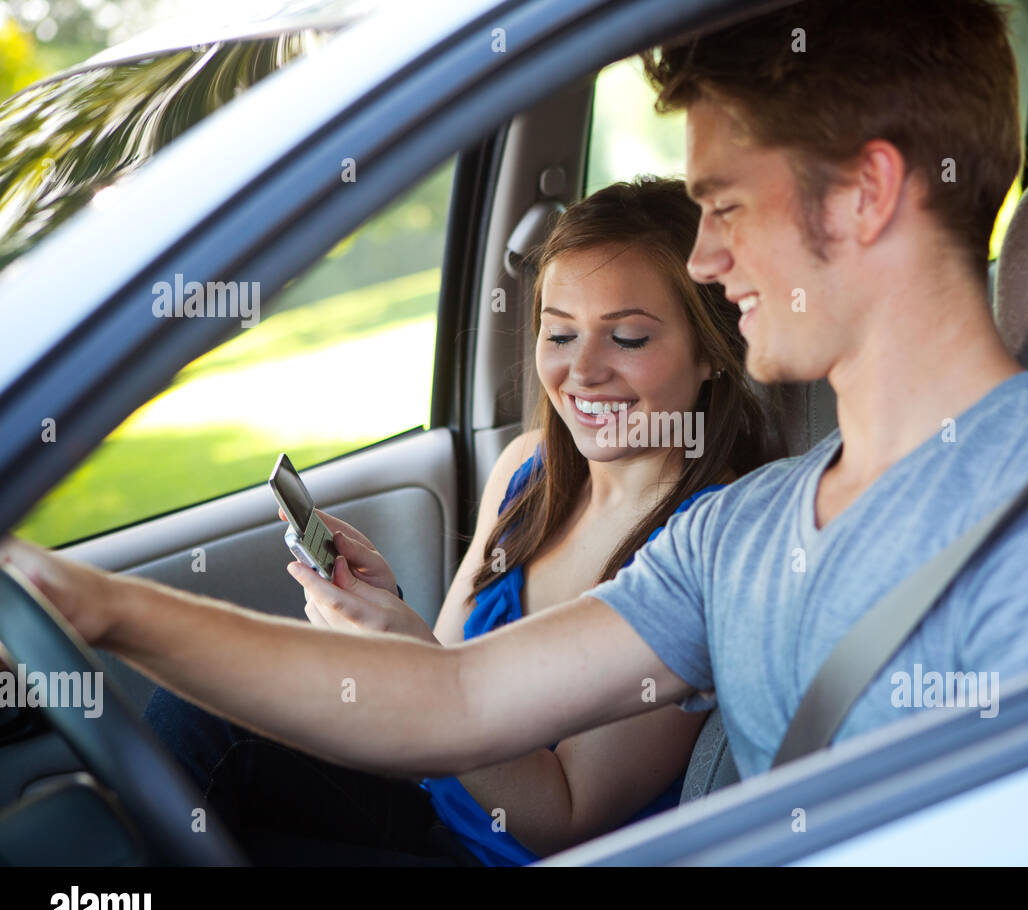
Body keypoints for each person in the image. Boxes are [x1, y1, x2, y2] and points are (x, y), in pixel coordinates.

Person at [2, 0, 1028, 848]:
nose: (704, 254)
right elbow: (458, 702)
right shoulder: (741, 527)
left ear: (864, 194)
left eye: (724, 204)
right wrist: (105, 608)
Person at [123, 176, 783, 865]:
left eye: (626, 337)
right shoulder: (526, 475)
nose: (582, 370)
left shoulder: (708, 541)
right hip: (424, 807)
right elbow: (441, 679)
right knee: (200, 717)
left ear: (709, 350)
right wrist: (386, 617)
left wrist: (413, 655)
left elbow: (564, 817)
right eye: (560, 333)